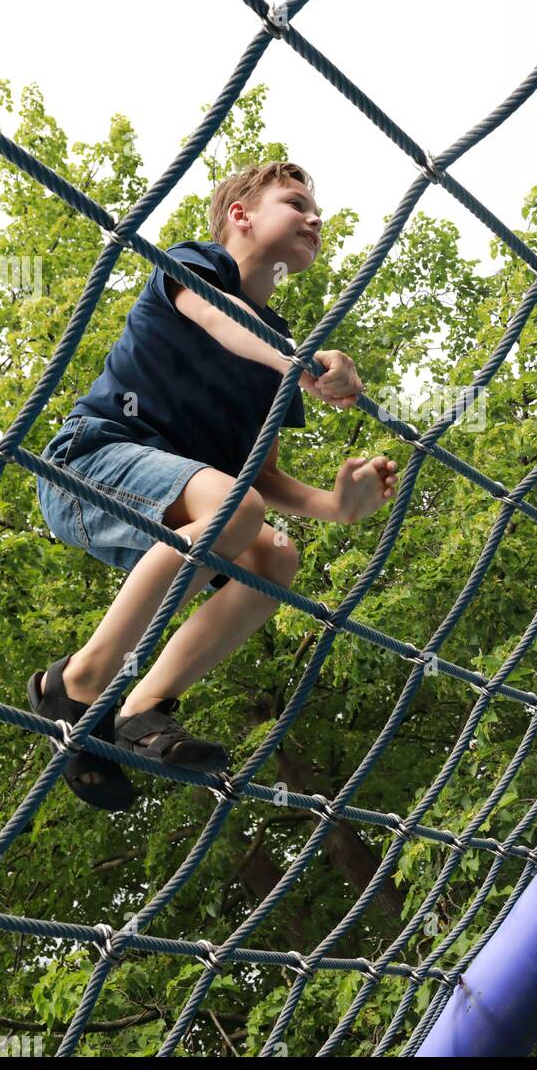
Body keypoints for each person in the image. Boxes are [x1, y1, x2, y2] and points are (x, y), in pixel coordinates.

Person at [28, 160, 399, 811]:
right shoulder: (194, 266)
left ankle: (142, 710)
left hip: (173, 505)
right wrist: (303, 366)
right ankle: (81, 678)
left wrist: (340, 507)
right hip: (87, 468)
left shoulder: (279, 344)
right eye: (296, 202)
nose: (316, 217)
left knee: (276, 556)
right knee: (238, 511)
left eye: (317, 209)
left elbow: (265, 472)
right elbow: (219, 318)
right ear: (240, 215)